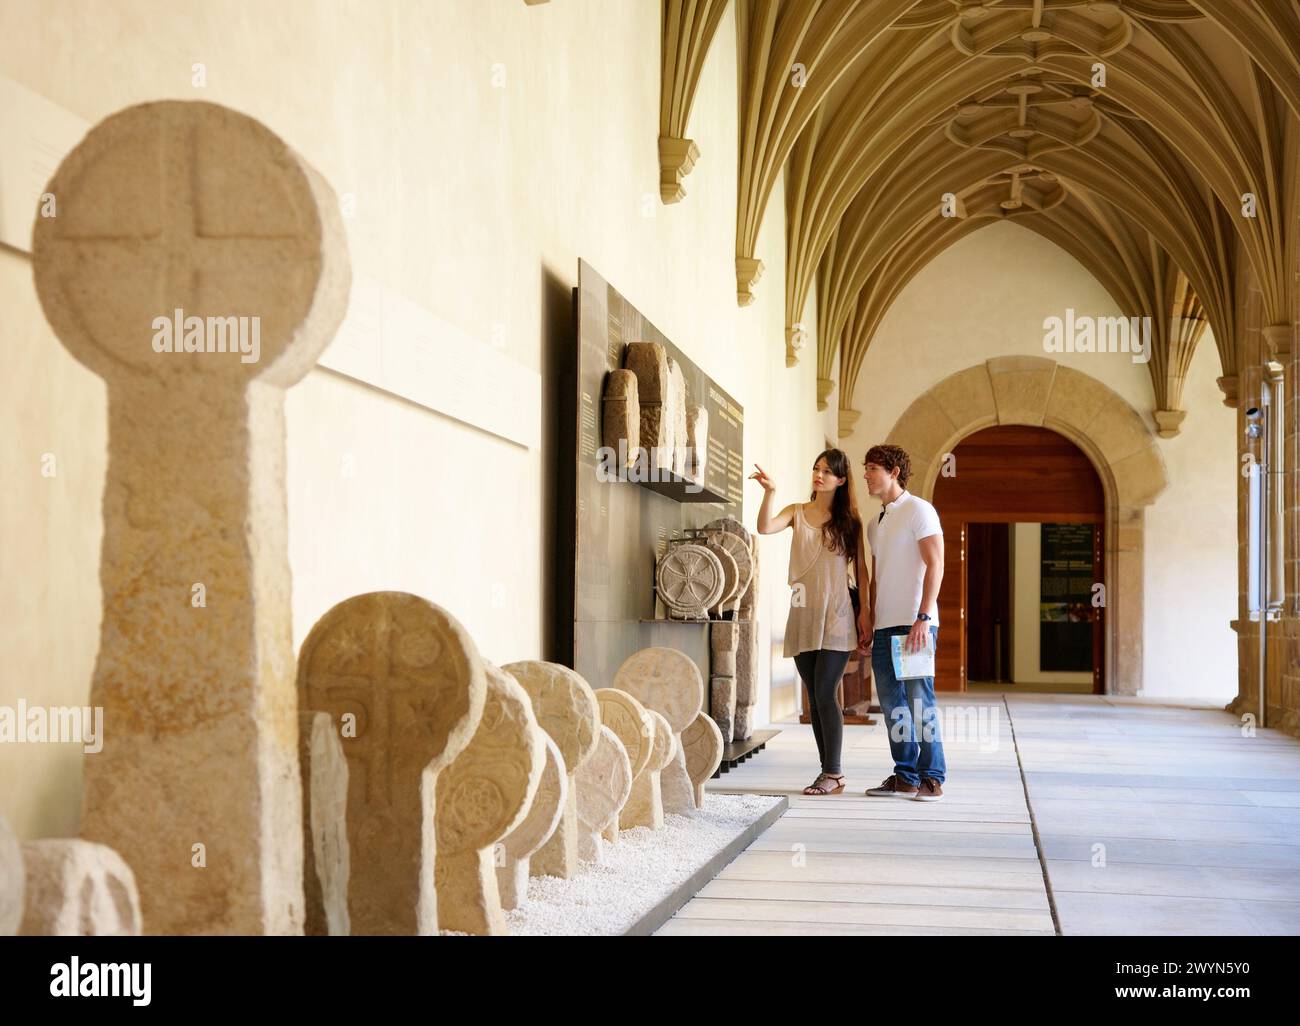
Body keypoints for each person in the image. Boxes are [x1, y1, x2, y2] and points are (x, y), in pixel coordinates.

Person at [750, 450, 870, 796]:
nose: (819, 475)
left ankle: (833, 771)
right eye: (816, 469)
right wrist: (770, 492)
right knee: (815, 698)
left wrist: (866, 616)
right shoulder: (796, 513)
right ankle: (829, 773)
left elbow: (861, 571)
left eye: (827, 472)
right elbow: (763, 527)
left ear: (841, 480)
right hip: (802, 612)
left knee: (824, 691)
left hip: (837, 615)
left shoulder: (851, 523)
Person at [861, 444, 948, 801]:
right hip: (884, 626)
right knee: (893, 705)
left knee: (918, 701)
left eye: (872, 468)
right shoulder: (875, 522)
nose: (866, 475)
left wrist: (923, 618)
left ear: (894, 471)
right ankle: (905, 775)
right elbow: (877, 577)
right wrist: (867, 619)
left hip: (916, 624)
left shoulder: (919, 510)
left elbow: (936, 563)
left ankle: (932, 776)